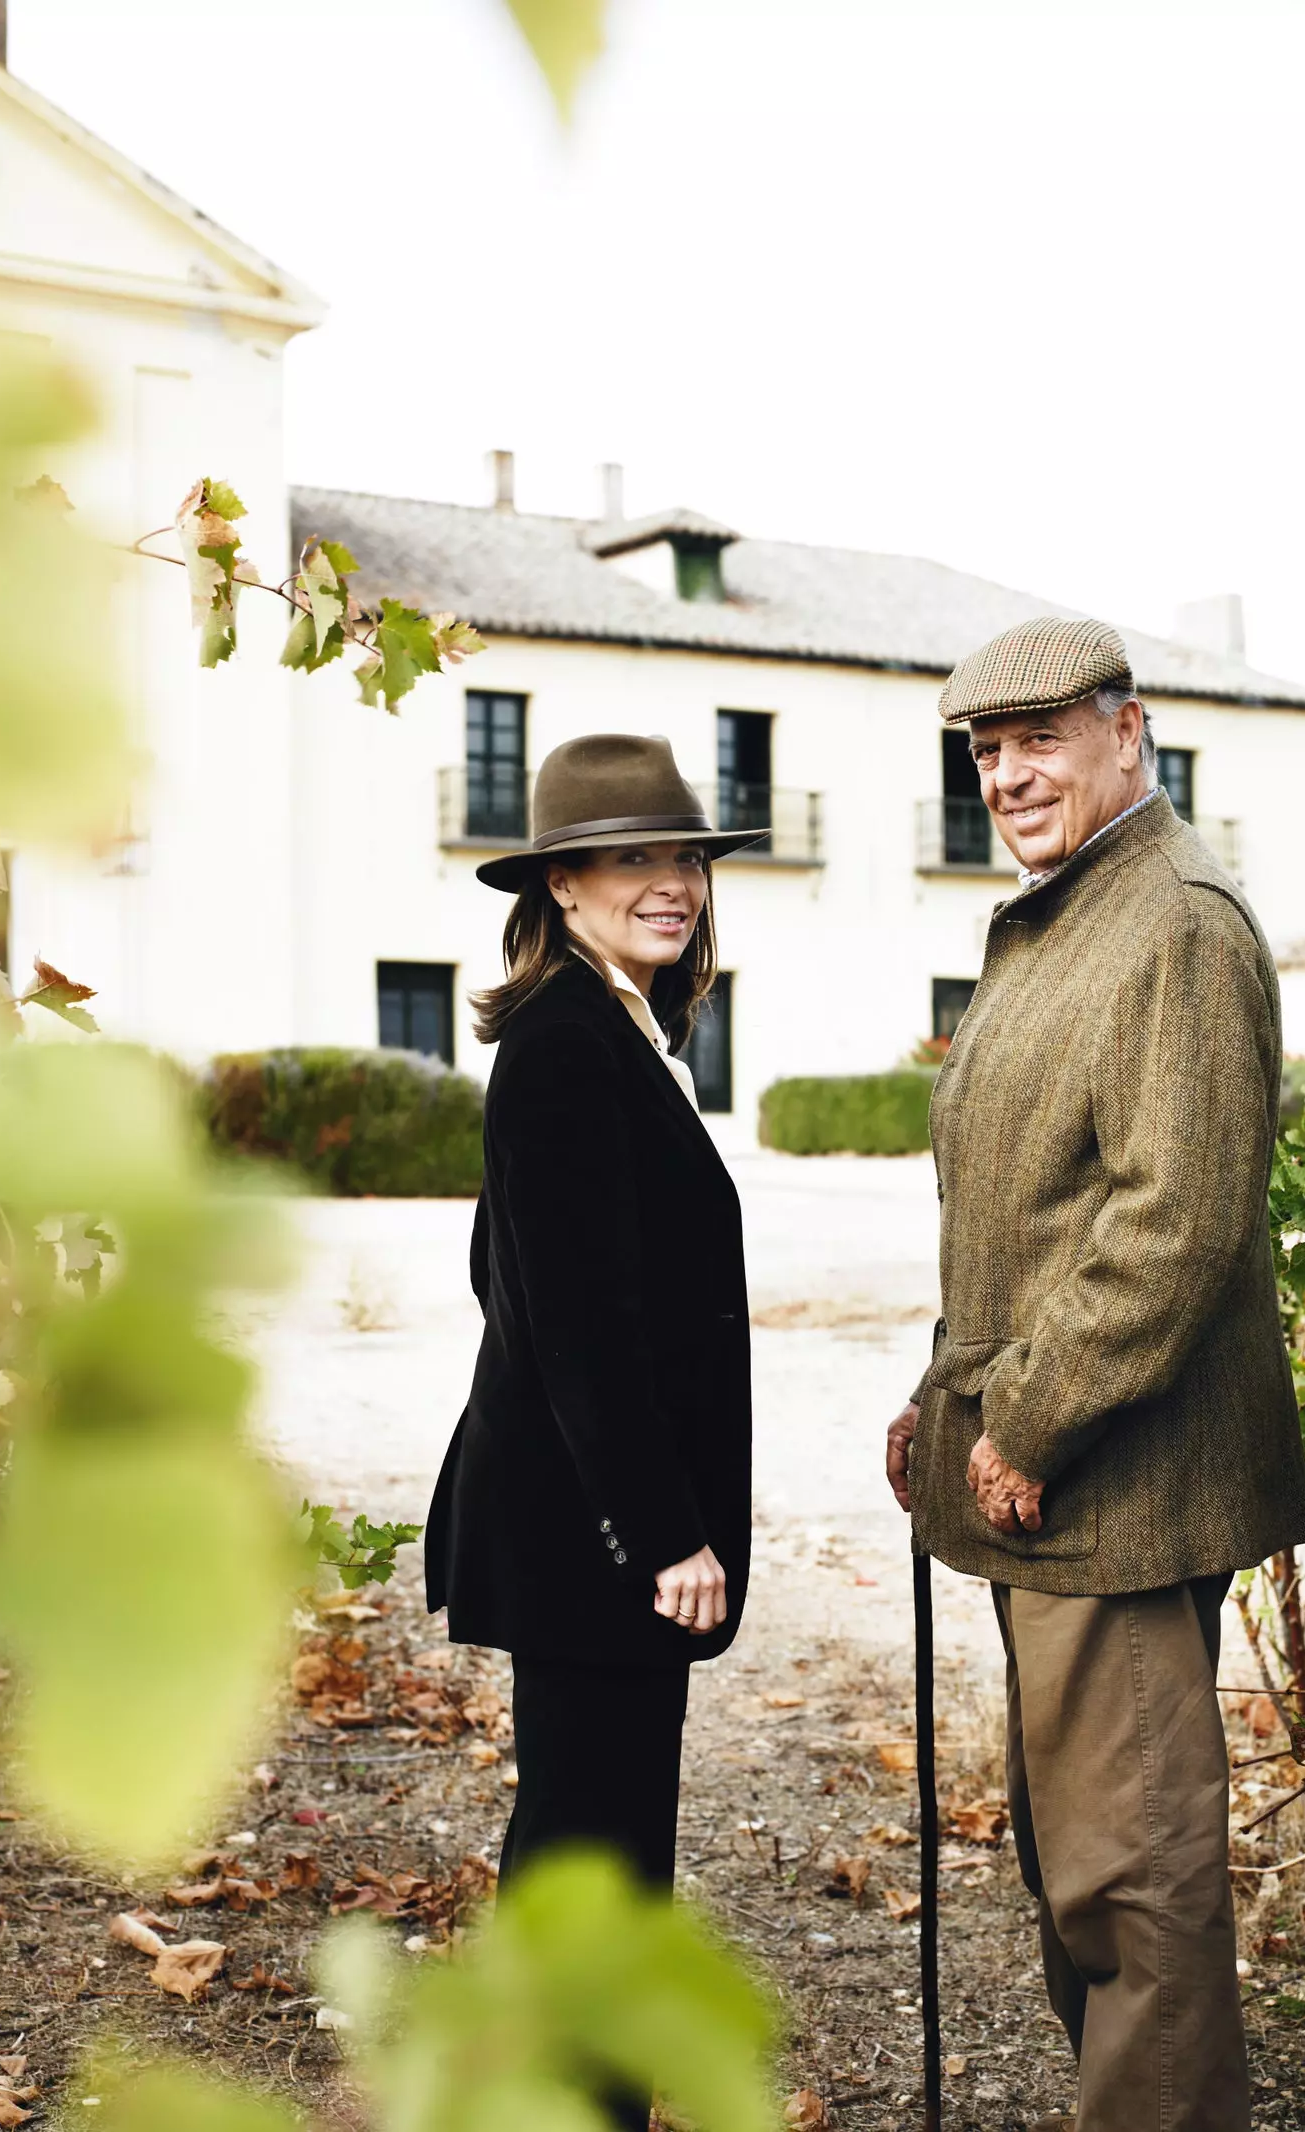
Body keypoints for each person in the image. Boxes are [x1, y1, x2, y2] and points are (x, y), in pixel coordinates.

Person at [885, 617, 1305, 2132]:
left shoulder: (1177, 921)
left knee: (1134, 1889)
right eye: (986, 752)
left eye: (1039, 739)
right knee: (1081, 1869)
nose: (1006, 776)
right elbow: (1034, 1206)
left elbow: (1170, 1223)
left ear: (1128, 735)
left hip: (1112, 1489)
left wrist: (1031, 1417)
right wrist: (945, 1405)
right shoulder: (1071, 912)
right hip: (1044, 1482)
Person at [426, 732, 758, 1940]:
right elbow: (579, 1324)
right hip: (593, 1541)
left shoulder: (616, 1031)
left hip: (579, 1531)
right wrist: (666, 1529)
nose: (673, 880)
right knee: (592, 1871)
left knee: (601, 1860)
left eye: (686, 854)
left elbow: (502, 1271)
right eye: (632, 856)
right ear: (560, 882)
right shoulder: (566, 1043)